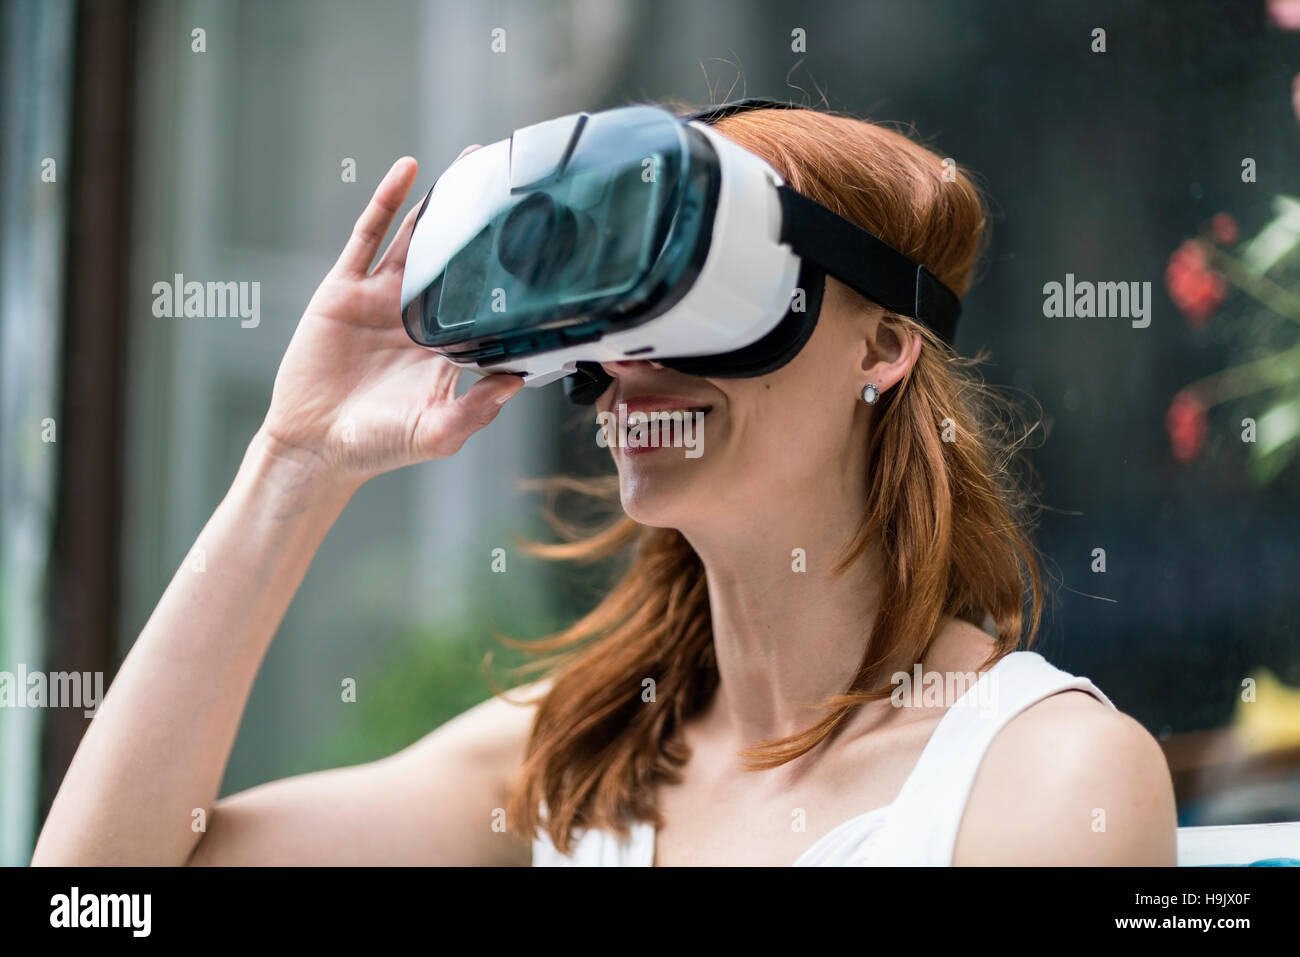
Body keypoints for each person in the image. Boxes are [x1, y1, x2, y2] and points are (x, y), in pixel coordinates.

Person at [32, 103, 1177, 867]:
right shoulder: (574, 758)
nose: (630, 361)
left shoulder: (1042, 773)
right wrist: (298, 460)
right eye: (620, 303)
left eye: (702, 294)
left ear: (882, 348)